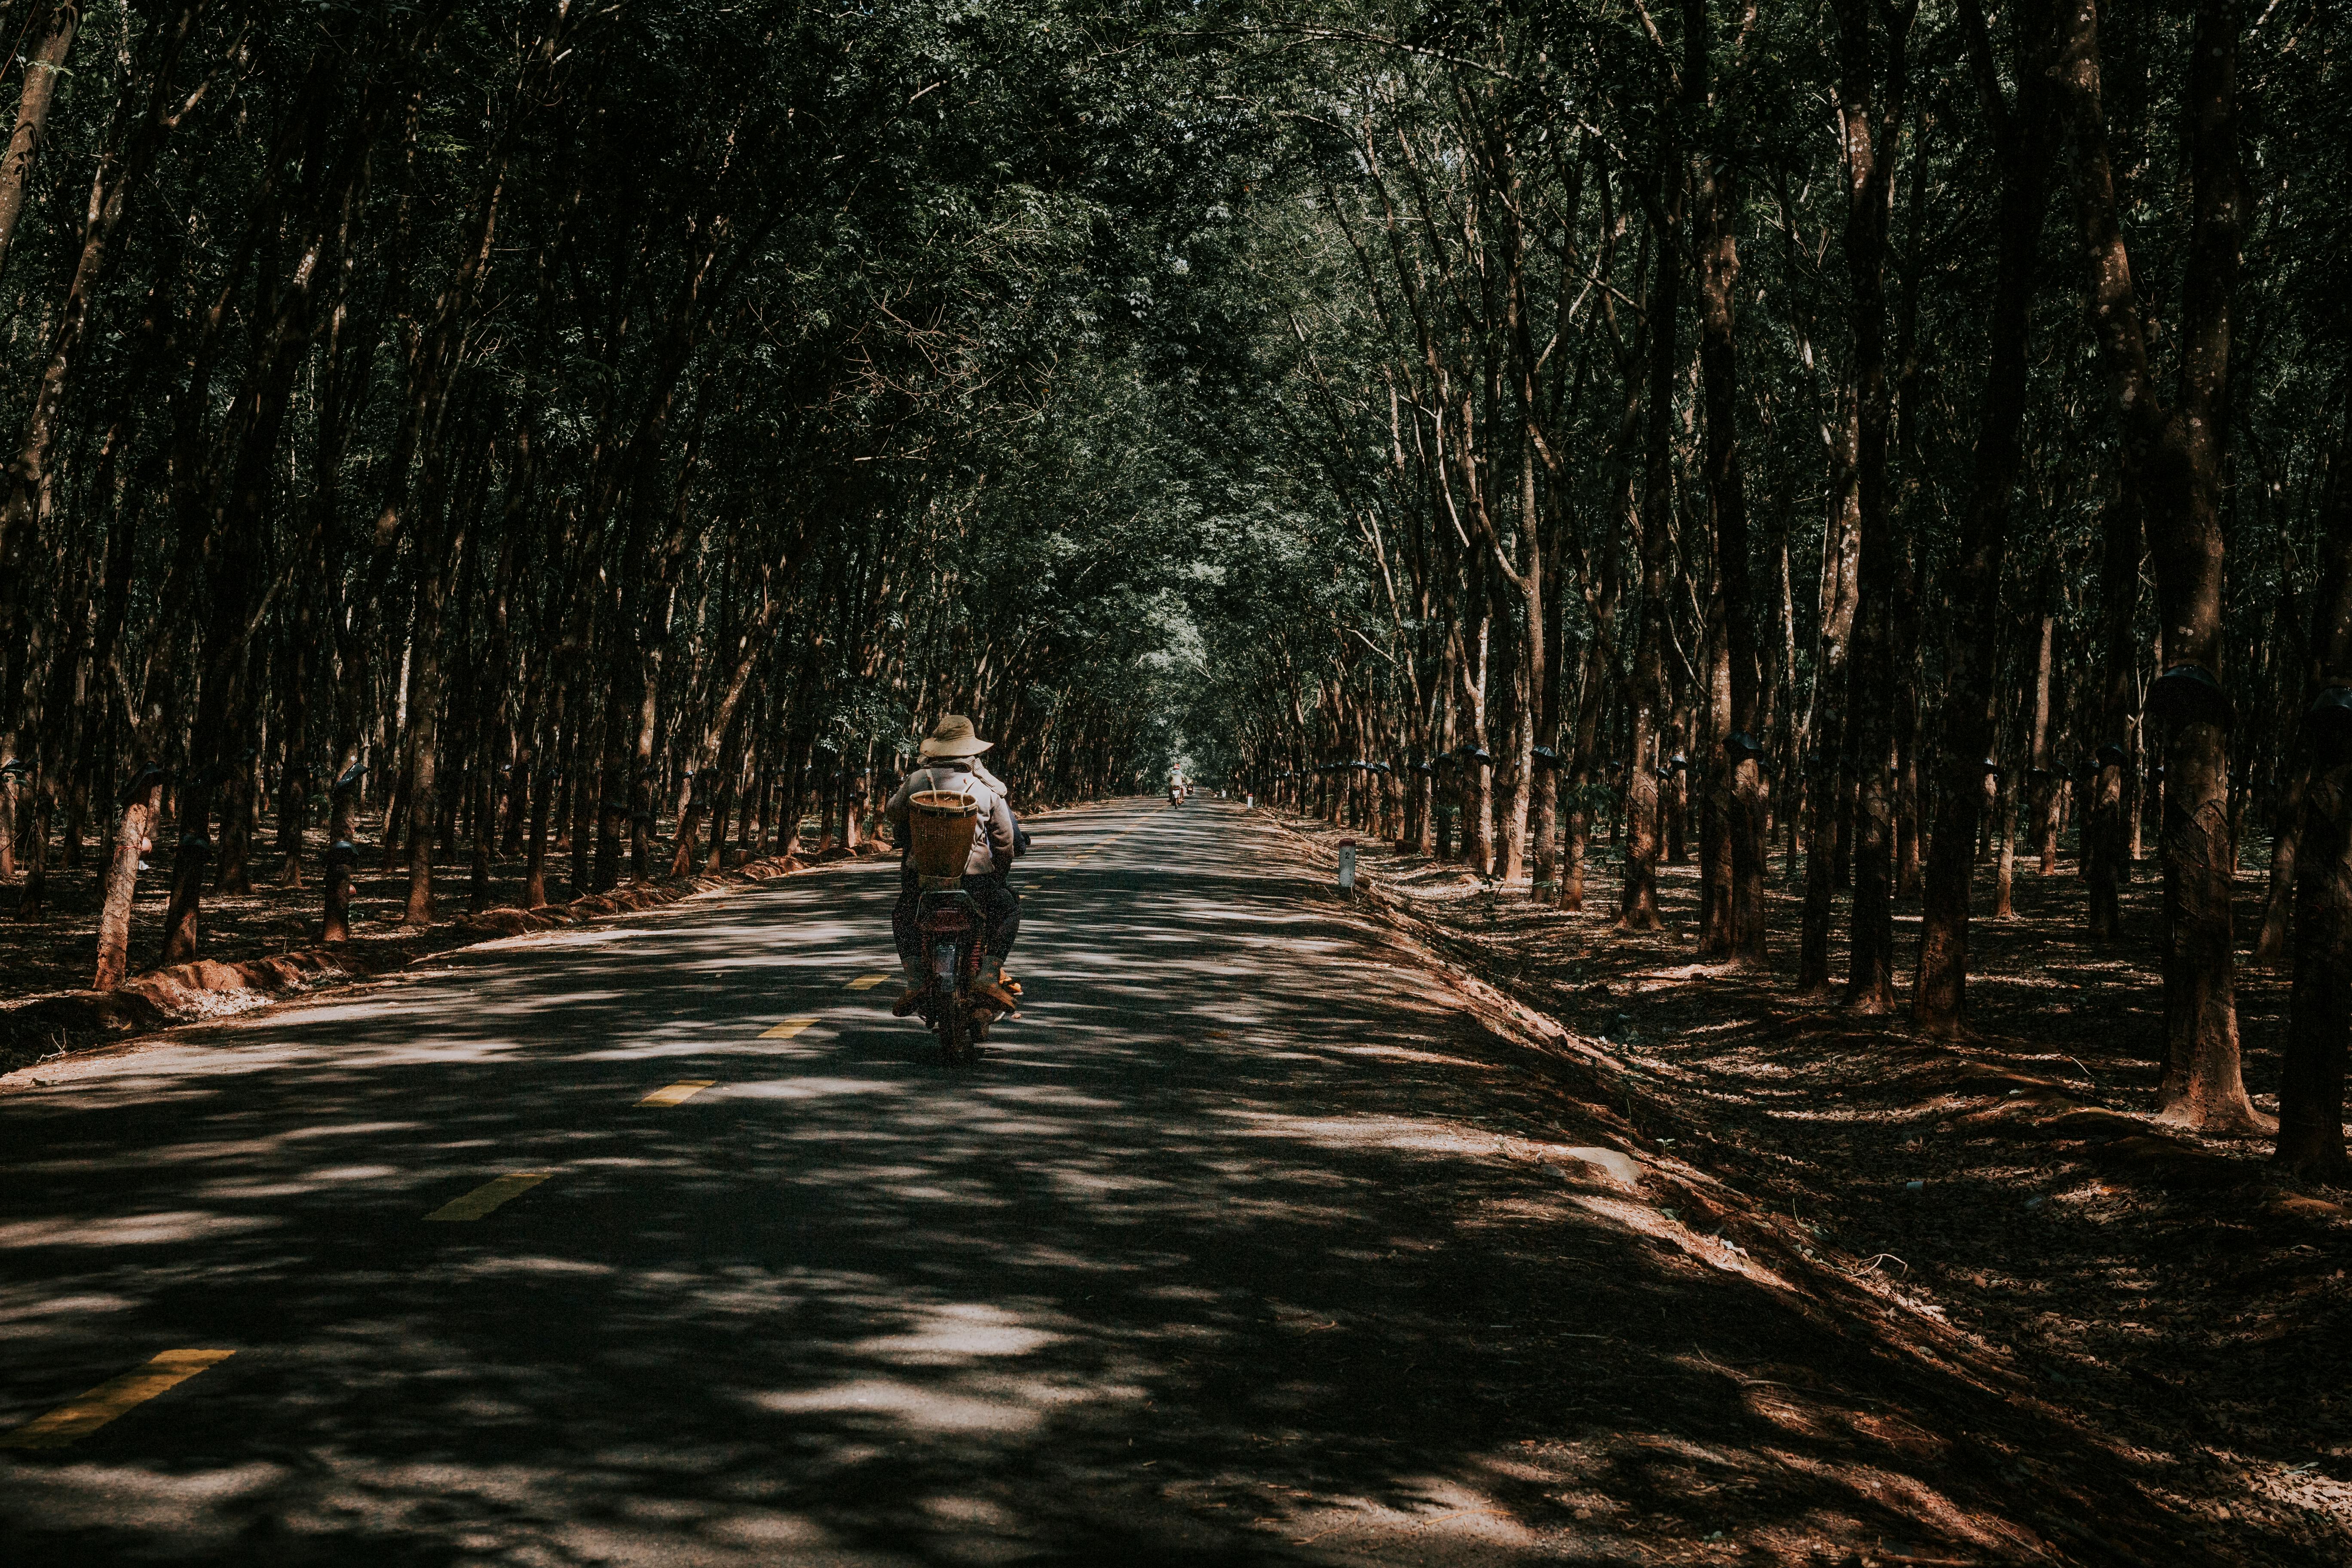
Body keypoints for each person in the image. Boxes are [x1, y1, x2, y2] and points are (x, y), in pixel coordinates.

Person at [884, 715, 1021, 1017]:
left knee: (903, 914)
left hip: (923, 881)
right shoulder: (985, 789)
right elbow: (1005, 842)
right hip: (975, 882)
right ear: (970, 751)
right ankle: (988, 975)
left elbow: (893, 813)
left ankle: (916, 978)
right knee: (1008, 908)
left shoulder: (916, 780)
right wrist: (999, 873)